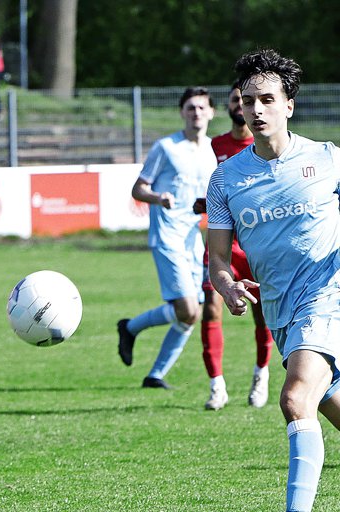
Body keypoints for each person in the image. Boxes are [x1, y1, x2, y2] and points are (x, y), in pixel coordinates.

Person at [208, 48, 340, 512]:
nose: (256, 109)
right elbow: (218, 259)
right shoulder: (226, 180)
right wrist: (227, 286)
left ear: (289, 104)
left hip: (329, 296)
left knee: (295, 397)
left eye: (267, 99)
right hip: (281, 313)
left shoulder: (328, 159)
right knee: (325, 403)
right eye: (248, 101)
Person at [117, 86, 217, 389]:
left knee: (193, 314)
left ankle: (155, 375)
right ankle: (130, 328)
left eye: (201, 107)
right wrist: (158, 198)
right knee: (188, 309)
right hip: (167, 236)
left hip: (193, 239)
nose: (196, 113)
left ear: (211, 113)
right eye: (190, 108)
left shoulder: (213, 151)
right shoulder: (166, 147)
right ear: (182, 113)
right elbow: (138, 188)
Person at [192, 81, 273, 411]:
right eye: (236, 100)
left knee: (261, 314)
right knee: (210, 308)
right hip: (221, 241)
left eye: (248, 99)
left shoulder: (263, 145)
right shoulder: (215, 145)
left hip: (256, 243)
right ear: (229, 107)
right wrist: (204, 203)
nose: (242, 105)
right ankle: (217, 386)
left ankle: (261, 373)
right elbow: (214, 189)